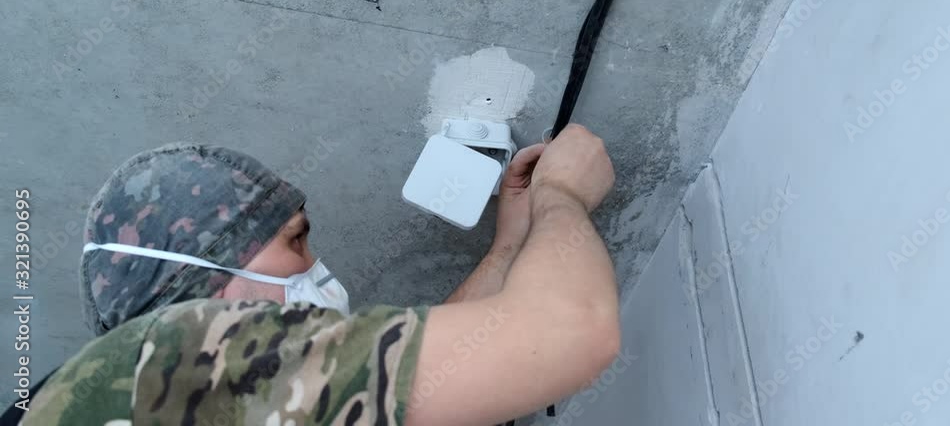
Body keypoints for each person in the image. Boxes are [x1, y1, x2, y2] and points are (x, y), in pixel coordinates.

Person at [20, 124, 619, 425]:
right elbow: (571, 333)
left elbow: (425, 392)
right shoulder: (172, 364)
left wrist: (513, 240)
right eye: (295, 240)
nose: (316, 268)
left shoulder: (172, 398)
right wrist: (564, 193)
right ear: (205, 277)